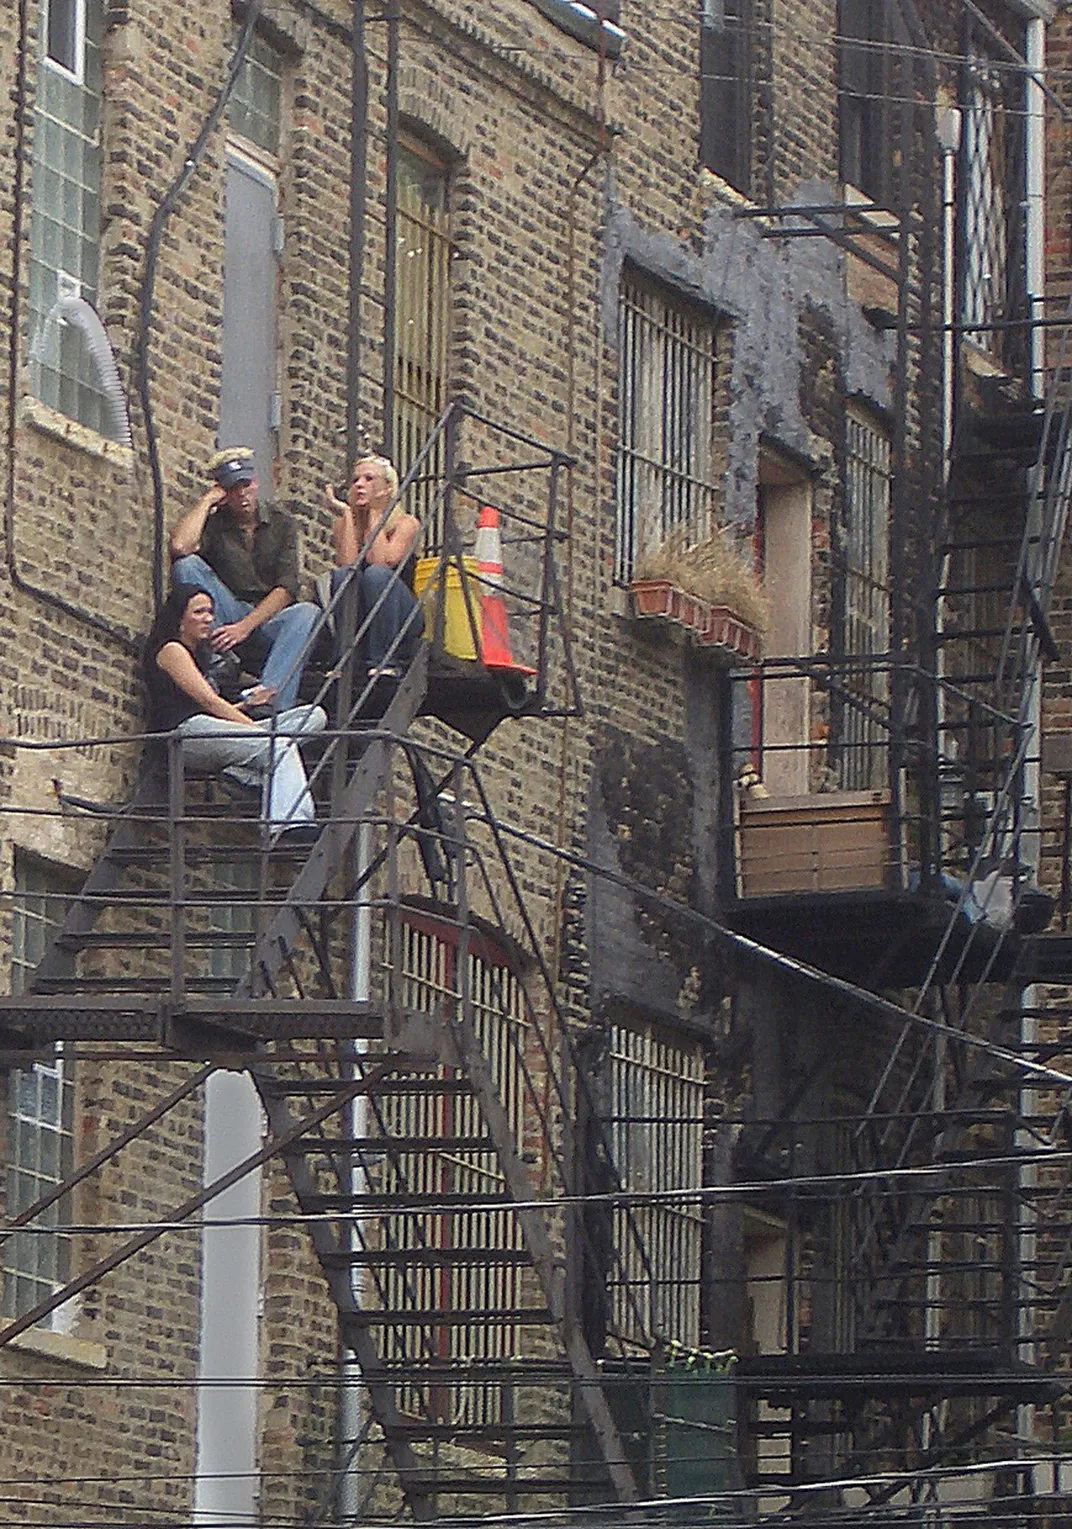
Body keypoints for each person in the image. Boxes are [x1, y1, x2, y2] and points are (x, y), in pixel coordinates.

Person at [145, 583, 327, 841]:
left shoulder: (200, 655)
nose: (208, 618)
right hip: (183, 735)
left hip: (207, 728)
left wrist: (247, 706)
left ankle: (243, 775)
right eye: (198, 612)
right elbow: (209, 702)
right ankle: (288, 823)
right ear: (179, 618)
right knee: (281, 746)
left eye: (210, 611)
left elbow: (208, 708)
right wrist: (254, 729)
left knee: (314, 715)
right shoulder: (172, 650)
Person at [169, 447, 319, 711]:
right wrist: (207, 500)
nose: (241, 494)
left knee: (307, 612)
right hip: (226, 613)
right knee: (187, 565)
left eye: (246, 485)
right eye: (232, 489)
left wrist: (245, 627)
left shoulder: (282, 522)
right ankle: (215, 660)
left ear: (256, 482)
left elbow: (287, 587)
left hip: (265, 620)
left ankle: (270, 697)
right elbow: (181, 546)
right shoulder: (216, 524)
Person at [324, 453, 423, 678]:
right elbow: (348, 564)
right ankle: (344, 659)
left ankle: (384, 660)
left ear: (387, 488)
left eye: (369, 479)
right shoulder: (345, 524)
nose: (360, 485)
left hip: (400, 616)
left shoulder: (406, 523)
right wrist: (348, 514)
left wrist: (376, 512)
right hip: (363, 616)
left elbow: (382, 562)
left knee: (376, 575)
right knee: (342, 576)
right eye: (355, 480)